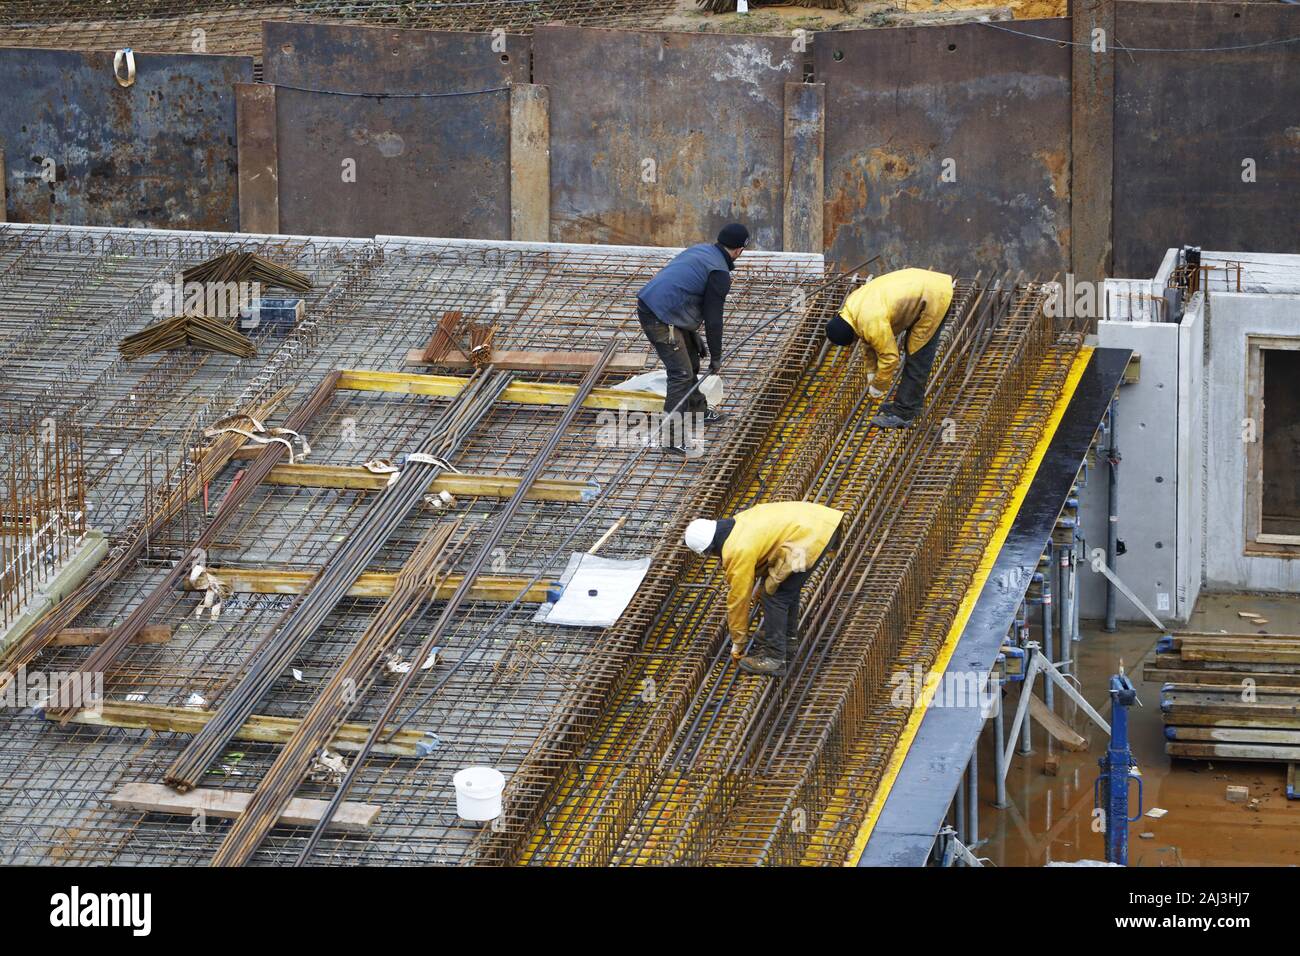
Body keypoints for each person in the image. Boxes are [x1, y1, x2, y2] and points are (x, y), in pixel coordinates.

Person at [683, 501, 844, 676]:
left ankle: (774, 658)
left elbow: (739, 598)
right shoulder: (738, 523)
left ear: (709, 549)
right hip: (819, 526)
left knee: (775, 596)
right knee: (787, 586)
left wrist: (738, 641)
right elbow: (768, 551)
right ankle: (787, 638)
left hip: (807, 541)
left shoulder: (736, 550)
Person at [636, 223, 748, 453]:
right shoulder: (719, 273)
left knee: (692, 358)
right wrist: (716, 357)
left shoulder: (701, 250)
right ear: (739, 250)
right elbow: (714, 319)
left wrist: (691, 333)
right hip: (659, 317)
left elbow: (684, 290)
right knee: (680, 374)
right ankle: (671, 438)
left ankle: (698, 411)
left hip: (661, 308)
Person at [824, 268, 955, 428]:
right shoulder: (851, 308)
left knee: (917, 355)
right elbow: (868, 342)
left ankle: (905, 412)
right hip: (922, 284)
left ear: (852, 335)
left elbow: (890, 358)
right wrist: (872, 374)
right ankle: (907, 403)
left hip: (934, 297)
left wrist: (879, 386)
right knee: (914, 351)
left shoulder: (871, 321)